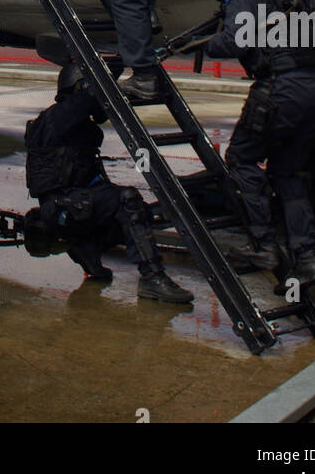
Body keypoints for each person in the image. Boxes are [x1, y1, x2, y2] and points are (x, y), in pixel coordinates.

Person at [199, 0, 315, 288]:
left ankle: (262, 243)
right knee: (287, 173)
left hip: (280, 88)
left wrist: (205, 45)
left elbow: (235, 42)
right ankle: (307, 259)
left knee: (241, 160)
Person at [24, 62, 194, 302]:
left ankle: (85, 246)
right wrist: (121, 60)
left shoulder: (71, 123)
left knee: (139, 212)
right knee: (127, 201)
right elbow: (91, 94)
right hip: (62, 207)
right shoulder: (61, 116)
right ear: (79, 87)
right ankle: (152, 277)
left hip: (73, 203)